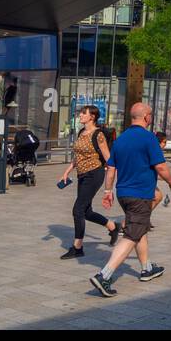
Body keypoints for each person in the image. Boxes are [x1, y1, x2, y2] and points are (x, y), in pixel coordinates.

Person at [89, 102, 171, 297]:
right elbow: (161, 167)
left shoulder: (120, 139)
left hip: (123, 194)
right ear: (147, 117)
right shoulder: (149, 138)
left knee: (139, 228)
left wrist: (107, 192)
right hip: (140, 195)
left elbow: (111, 168)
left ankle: (147, 268)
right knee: (131, 234)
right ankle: (104, 275)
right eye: (151, 116)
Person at [58, 104, 120, 260]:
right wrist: (66, 172)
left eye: (82, 114)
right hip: (82, 174)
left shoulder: (98, 134)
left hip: (94, 174)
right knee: (86, 212)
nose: (80, 116)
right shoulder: (81, 132)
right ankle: (113, 226)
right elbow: (77, 156)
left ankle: (77, 247)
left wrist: (109, 187)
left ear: (92, 117)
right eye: (80, 113)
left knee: (77, 210)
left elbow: (108, 158)